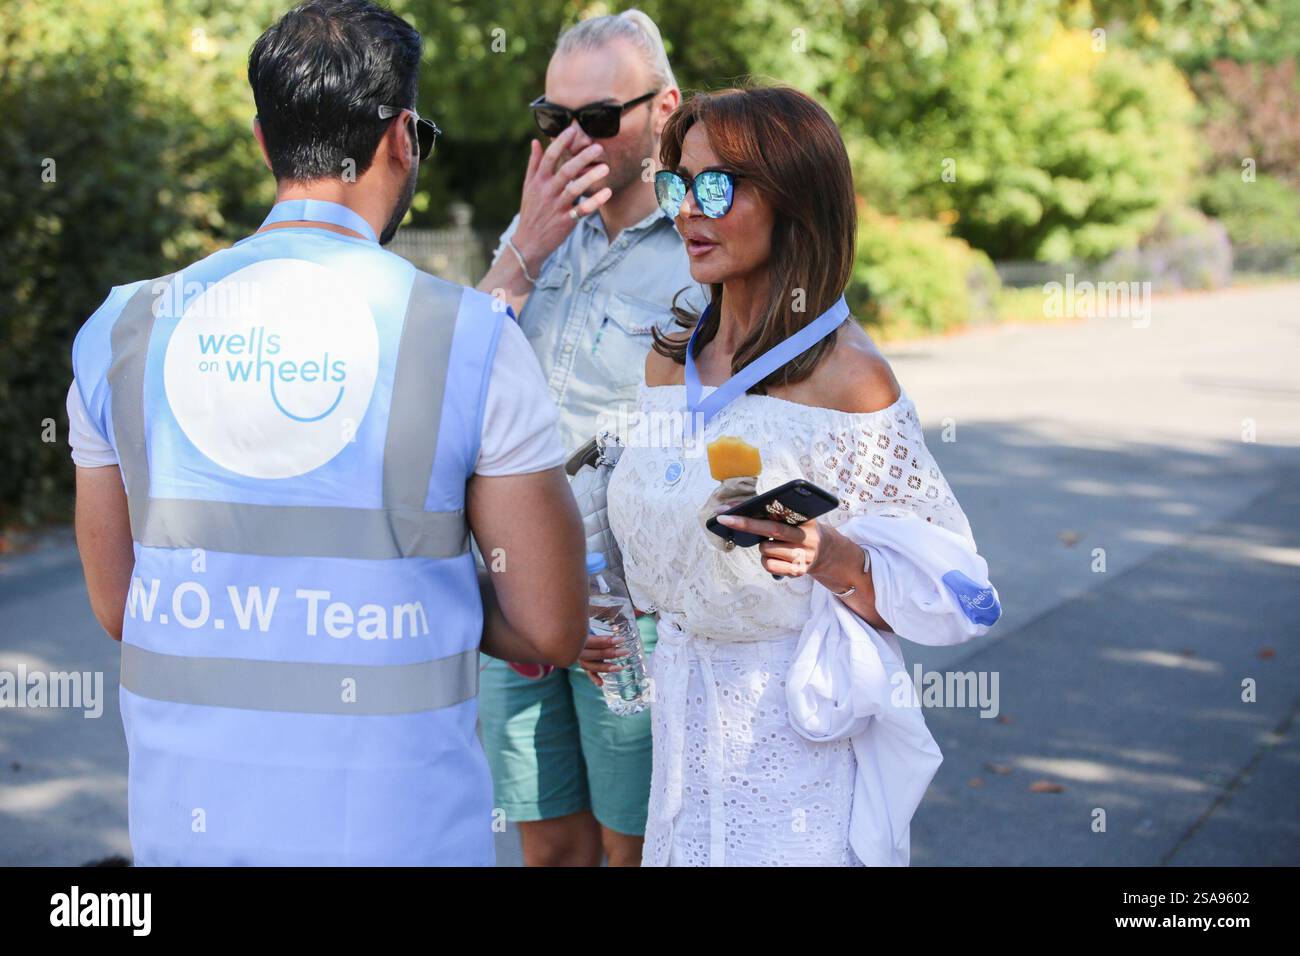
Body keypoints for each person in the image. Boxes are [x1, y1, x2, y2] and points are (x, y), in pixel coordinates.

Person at [66, 0, 587, 866]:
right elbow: (549, 628)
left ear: (265, 143)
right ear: (401, 140)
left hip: (187, 835)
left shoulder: (120, 330)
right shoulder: (471, 339)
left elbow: (123, 602)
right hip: (401, 835)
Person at [605, 85, 992, 865]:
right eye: (678, 183)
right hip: (679, 740)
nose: (687, 209)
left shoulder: (852, 379)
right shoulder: (666, 361)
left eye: (716, 186)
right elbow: (646, 523)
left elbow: (958, 595)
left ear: (793, 199)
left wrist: (834, 556)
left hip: (794, 753)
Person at [473, 9, 705, 867]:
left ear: (665, 111)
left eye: (599, 119)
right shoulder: (536, 230)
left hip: (632, 613)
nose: (574, 140)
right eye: (552, 119)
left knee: (634, 846)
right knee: (548, 847)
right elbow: (464, 376)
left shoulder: (701, 244)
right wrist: (528, 245)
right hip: (516, 599)